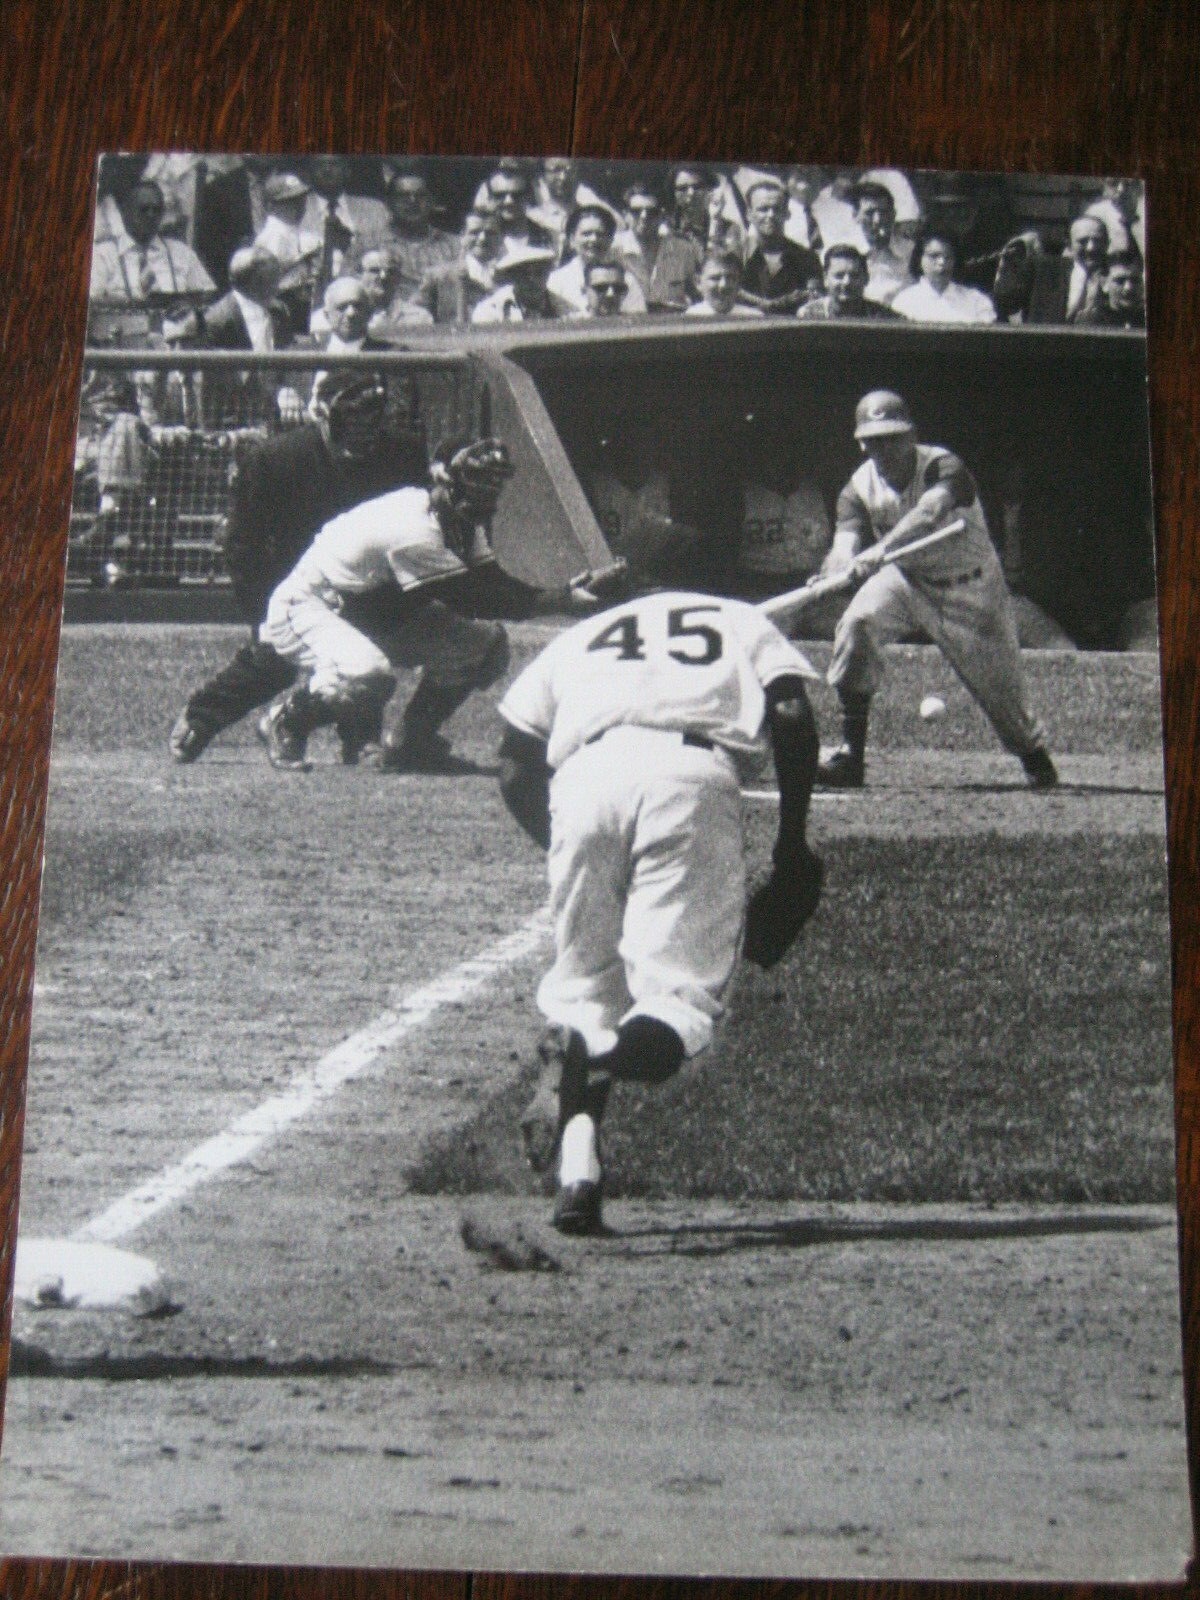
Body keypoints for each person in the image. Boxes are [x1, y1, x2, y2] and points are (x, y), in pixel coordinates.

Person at [497, 565, 824, 1235]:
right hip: (688, 782)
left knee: (589, 993)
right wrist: (791, 843)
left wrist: (565, 841)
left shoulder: (583, 635)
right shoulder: (737, 617)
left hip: (583, 782)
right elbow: (791, 713)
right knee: (676, 1007)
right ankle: (599, 1058)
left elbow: (512, 761)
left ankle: (578, 1176)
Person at [168, 371, 428, 764]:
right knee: (274, 658)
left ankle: (360, 737)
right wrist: (262, 610)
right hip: (293, 581)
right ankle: (202, 716)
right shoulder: (274, 460)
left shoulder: (400, 456)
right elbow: (244, 543)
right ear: (320, 415)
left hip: (366, 583)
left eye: (371, 422)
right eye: (350, 422)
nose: (362, 435)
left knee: (362, 655)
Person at [816, 390, 1058, 791]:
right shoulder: (857, 488)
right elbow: (844, 546)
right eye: (875, 439)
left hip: (971, 589)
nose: (886, 448)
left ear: (911, 435)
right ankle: (850, 757)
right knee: (858, 622)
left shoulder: (943, 466)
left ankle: (1034, 757)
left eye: (893, 436)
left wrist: (881, 550)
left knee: (1004, 699)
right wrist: (833, 572)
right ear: (862, 443)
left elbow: (929, 513)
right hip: (907, 582)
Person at [258, 438, 516, 774]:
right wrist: (564, 599)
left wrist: (568, 592)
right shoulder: (415, 525)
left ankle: (412, 743)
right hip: (309, 606)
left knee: (486, 647)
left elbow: (494, 583)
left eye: (495, 481)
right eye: (478, 478)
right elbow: (471, 596)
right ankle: (286, 720)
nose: (488, 490)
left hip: (367, 613)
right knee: (368, 676)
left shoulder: (459, 522)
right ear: (444, 476)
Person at [89, 179, 216, 303]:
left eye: (157, 210)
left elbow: (207, 298)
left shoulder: (182, 253)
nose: (151, 215)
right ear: (125, 212)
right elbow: (90, 305)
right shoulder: (103, 255)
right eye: (143, 209)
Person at [359, 167, 462, 301]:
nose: (413, 201)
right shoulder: (367, 244)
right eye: (403, 196)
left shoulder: (455, 245)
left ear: (432, 202)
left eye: (421, 195)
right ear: (389, 203)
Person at [612, 181, 703, 312]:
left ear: (662, 215)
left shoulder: (682, 250)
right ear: (626, 215)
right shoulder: (613, 249)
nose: (644, 217)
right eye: (636, 211)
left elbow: (696, 293)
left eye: (651, 212)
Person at [737, 180, 821, 315]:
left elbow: (814, 302)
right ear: (749, 214)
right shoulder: (734, 256)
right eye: (763, 209)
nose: (770, 215)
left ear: (787, 213)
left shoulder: (807, 259)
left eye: (776, 209)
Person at [546, 205, 647, 316]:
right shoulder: (555, 282)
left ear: (611, 240)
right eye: (586, 234)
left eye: (600, 234)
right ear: (571, 240)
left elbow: (637, 321)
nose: (594, 239)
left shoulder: (626, 281)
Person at [412, 210, 503, 325]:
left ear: (501, 237)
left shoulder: (513, 275)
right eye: (474, 233)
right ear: (462, 236)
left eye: (490, 233)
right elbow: (415, 317)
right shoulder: (438, 276)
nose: (482, 238)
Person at [891, 232, 998, 324]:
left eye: (948, 257)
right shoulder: (904, 301)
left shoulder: (977, 301)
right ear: (919, 259)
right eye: (934, 256)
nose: (942, 262)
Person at [1023, 216, 1109, 324]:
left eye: (1098, 241)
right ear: (1069, 244)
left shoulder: (1120, 278)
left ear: (1107, 243)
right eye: (1082, 241)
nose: (1091, 247)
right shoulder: (1044, 272)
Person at [795, 244, 901, 320]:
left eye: (854, 276)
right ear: (826, 279)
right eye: (839, 276)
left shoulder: (883, 317)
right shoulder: (809, 315)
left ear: (866, 279)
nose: (847, 282)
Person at [849, 181, 912, 306]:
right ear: (855, 215)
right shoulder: (845, 253)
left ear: (894, 215)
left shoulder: (911, 252)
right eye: (869, 213)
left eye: (884, 212)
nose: (877, 220)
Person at [470, 243, 559, 323]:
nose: (533, 279)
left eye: (539, 273)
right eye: (525, 274)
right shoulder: (490, 309)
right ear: (512, 277)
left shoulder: (562, 306)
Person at [1073, 250, 1145, 328]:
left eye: (1135, 281)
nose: (1128, 287)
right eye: (1119, 281)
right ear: (1104, 284)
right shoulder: (1090, 322)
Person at [683, 250, 763, 317]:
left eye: (731, 278)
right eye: (715, 278)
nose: (724, 285)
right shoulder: (689, 319)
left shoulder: (753, 318)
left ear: (739, 282)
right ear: (698, 282)